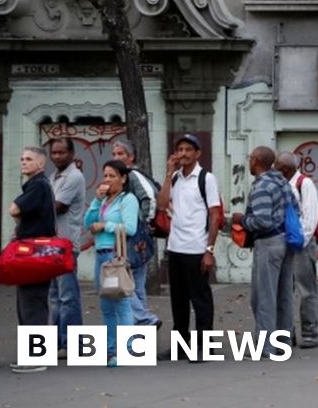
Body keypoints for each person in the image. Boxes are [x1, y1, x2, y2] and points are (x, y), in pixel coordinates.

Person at [156, 134, 222, 361]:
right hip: (176, 247)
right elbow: (162, 205)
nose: (183, 153)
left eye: (188, 150)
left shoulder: (206, 178)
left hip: (197, 248)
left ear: (197, 154)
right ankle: (181, 345)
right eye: (180, 149)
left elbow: (215, 216)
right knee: (178, 299)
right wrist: (167, 174)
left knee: (200, 298)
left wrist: (209, 250)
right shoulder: (175, 178)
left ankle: (204, 346)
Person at [232, 147, 296, 357]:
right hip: (286, 240)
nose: (249, 161)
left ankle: (265, 346)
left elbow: (262, 220)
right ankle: (283, 342)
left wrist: (242, 220)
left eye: (250, 158)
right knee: (284, 295)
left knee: (263, 297)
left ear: (257, 160)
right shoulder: (283, 183)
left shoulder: (262, 186)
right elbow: (295, 208)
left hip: (268, 243)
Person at [83, 160, 138, 367]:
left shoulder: (128, 199)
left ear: (123, 178)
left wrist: (105, 225)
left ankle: (128, 350)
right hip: (100, 256)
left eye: (112, 176)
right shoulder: (104, 201)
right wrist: (96, 202)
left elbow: (130, 228)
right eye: (105, 175)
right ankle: (110, 349)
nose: (107, 180)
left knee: (121, 302)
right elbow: (88, 223)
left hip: (115, 256)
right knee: (106, 305)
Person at [8, 147, 57, 374]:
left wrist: (18, 214)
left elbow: (14, 208)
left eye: (29, 159)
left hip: (35, 253)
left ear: (40, 164)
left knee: (33, 303)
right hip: (35, 250)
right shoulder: (38, 184)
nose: (23, 162)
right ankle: (31, 354)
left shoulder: (38, 185)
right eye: (22, 158)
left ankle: (37, 357)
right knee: (27, 302)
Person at [111, 139, 162, 329]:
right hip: (133, 237)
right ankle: (142, 336)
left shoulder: (132, 175)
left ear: (130, 158)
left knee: (123, 282)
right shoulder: (123, 177)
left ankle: (145, 318)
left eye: (121, 154)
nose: (117, 157)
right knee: (137, 287)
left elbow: (150, 196)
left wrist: (145, 223)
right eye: (114, 154)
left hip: (135, 237)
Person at [275, 151, 318, 348]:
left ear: (284, 169)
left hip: (301, 244)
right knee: (285, 290)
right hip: (283, 243)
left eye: (276, 166)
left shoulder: (304, 183)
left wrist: (299, 242)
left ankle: (309, 332)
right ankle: (287, 332)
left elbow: (310, 217)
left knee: (306, 290)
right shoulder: (280, 184)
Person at [48, 138, 85, 357]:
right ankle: (59, 342)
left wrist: (30, 208)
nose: (57, 156)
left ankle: (72, 344)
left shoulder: (74, 176)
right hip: (53, 245)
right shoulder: (54, 177)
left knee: (68, 296)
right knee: (55, 296)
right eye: (54, 152)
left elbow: (58, 207)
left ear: (71, 153)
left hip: (66, 245)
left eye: (62, 152)